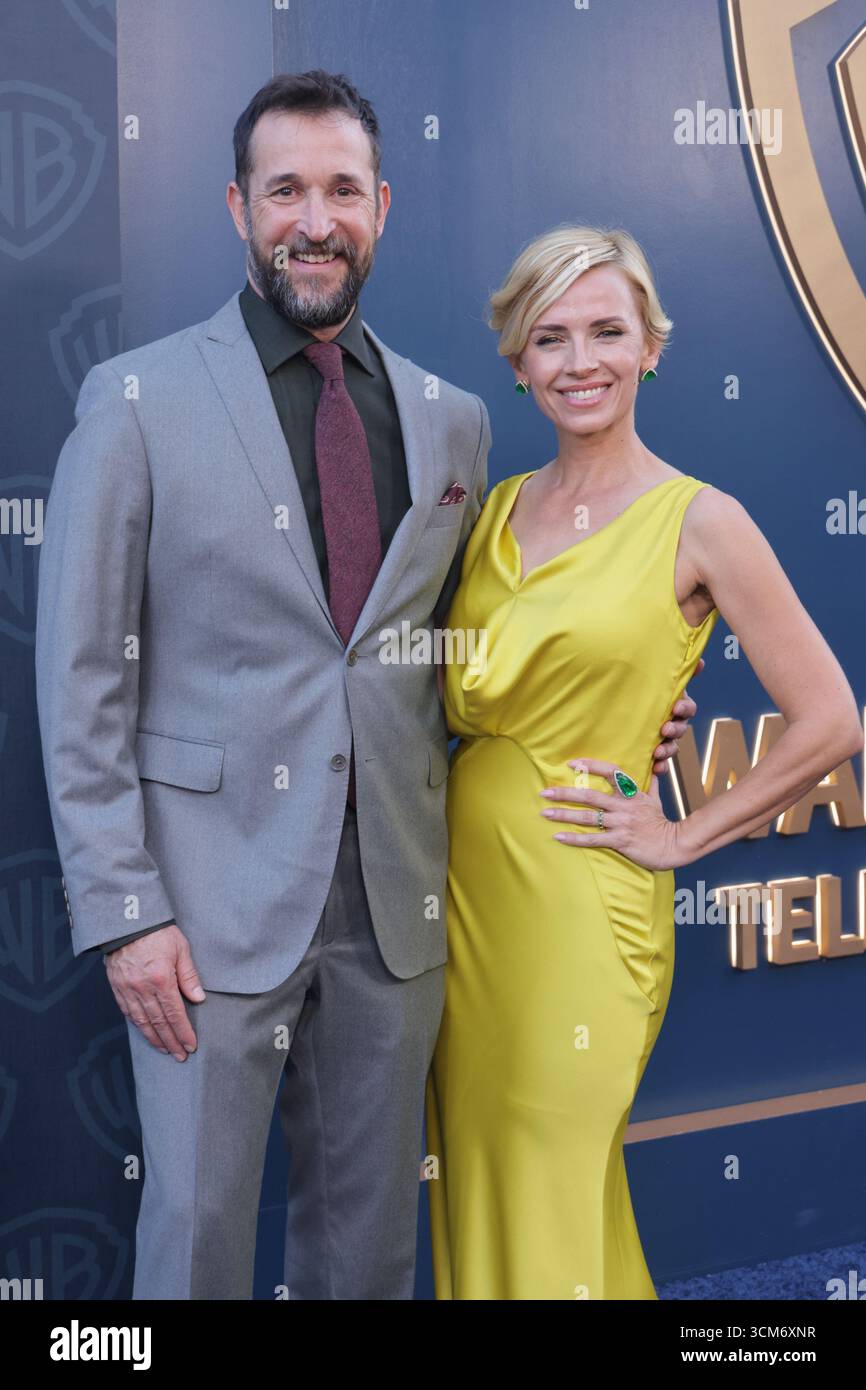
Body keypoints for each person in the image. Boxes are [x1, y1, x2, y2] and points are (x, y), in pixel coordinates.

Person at [34, 72, 695, 1301]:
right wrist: (124, 912)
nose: (313, 218)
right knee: (198, 1239)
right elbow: (80, 680)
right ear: (239, 206)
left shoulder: (451, 423)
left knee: (370, 1246)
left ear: (381, 207)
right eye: (285, 188)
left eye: (341, 189)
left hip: (399, 904)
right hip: (201, 913)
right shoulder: (136, 402)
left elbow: (463, 657)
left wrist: (616, 704)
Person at [424, 223, 863, 1300]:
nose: (579, 361)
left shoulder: (701, 520)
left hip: (582, 903)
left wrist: (678, 834)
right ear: (516, 361)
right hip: (462, 900)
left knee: (550, 1162)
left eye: (606, 332)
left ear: (651, 347)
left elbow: (829, 719)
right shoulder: (487, 514)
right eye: (550, 337)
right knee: (483, 1169)